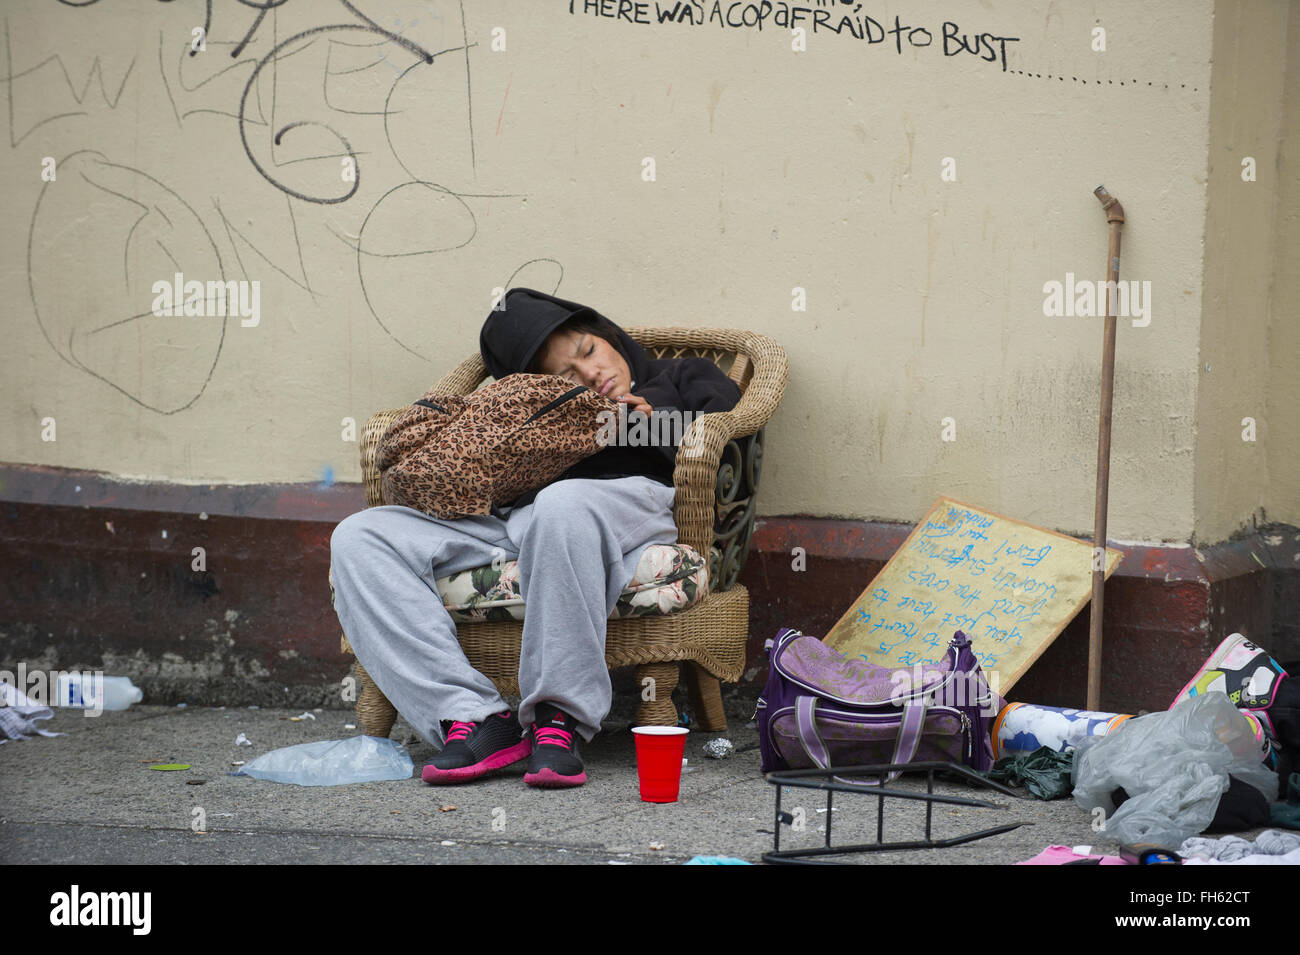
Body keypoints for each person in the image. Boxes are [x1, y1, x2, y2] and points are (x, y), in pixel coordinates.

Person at [329, 288, 742, 787]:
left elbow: (722, 427)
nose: (591, 374)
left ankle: (557, 718)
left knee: (561, 503)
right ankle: (476, 718)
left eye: (589, 351)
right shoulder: (526, 414)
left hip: (619, 504)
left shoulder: (679, 377)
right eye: (564, 375)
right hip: (512, 518)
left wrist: (645, 423)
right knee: (360, 536)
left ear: (607, 334)